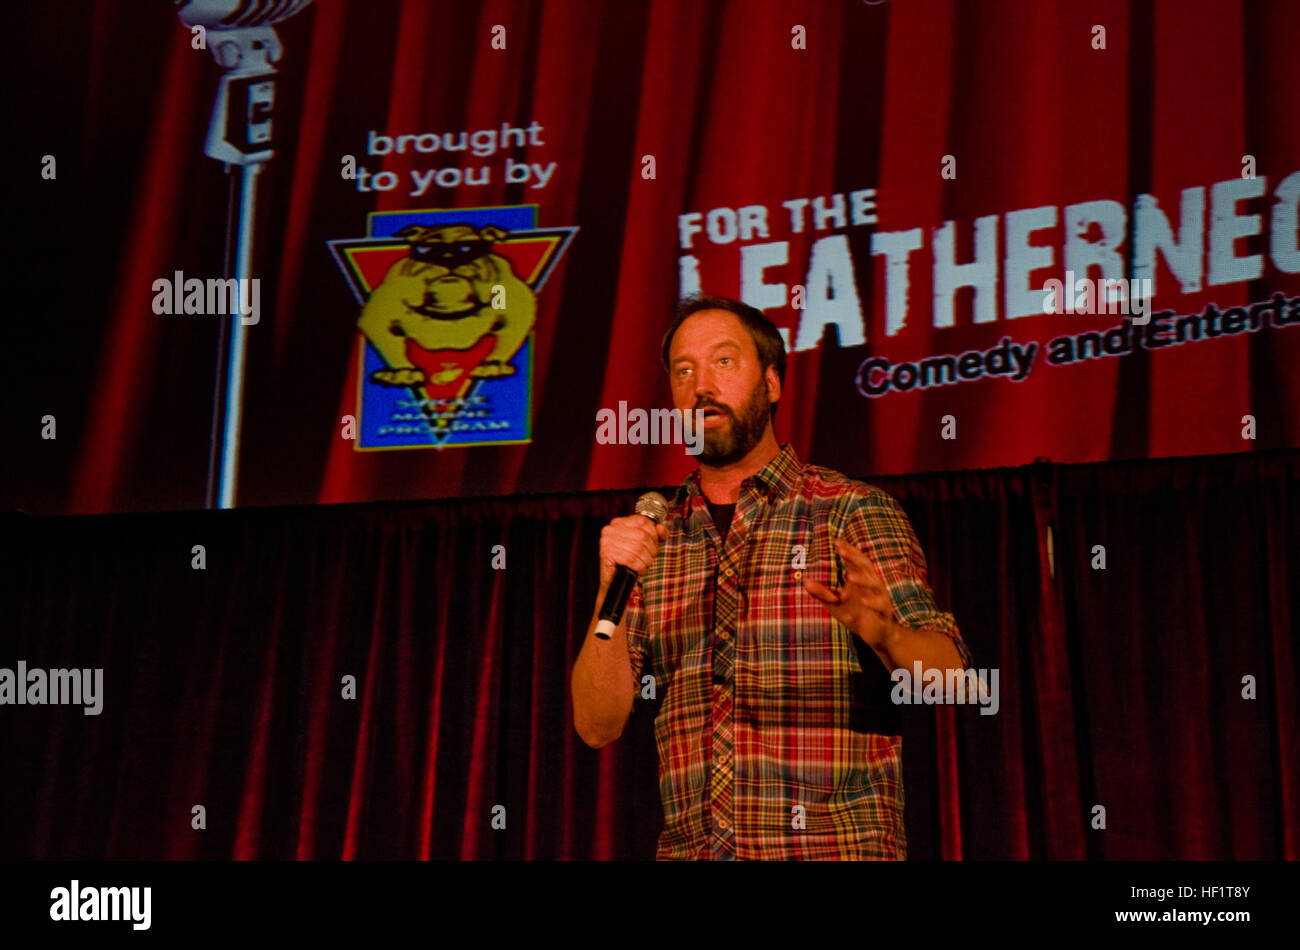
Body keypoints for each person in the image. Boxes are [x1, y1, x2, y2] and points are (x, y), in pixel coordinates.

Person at [570, 295, 972, 859]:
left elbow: (956, 683)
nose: (700, 385)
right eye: (684, 371)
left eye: (724, 362)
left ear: (773, 384)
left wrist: (887, 635)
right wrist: (607, 587)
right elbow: (597, 725)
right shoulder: (655, 538)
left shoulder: (849, 511)